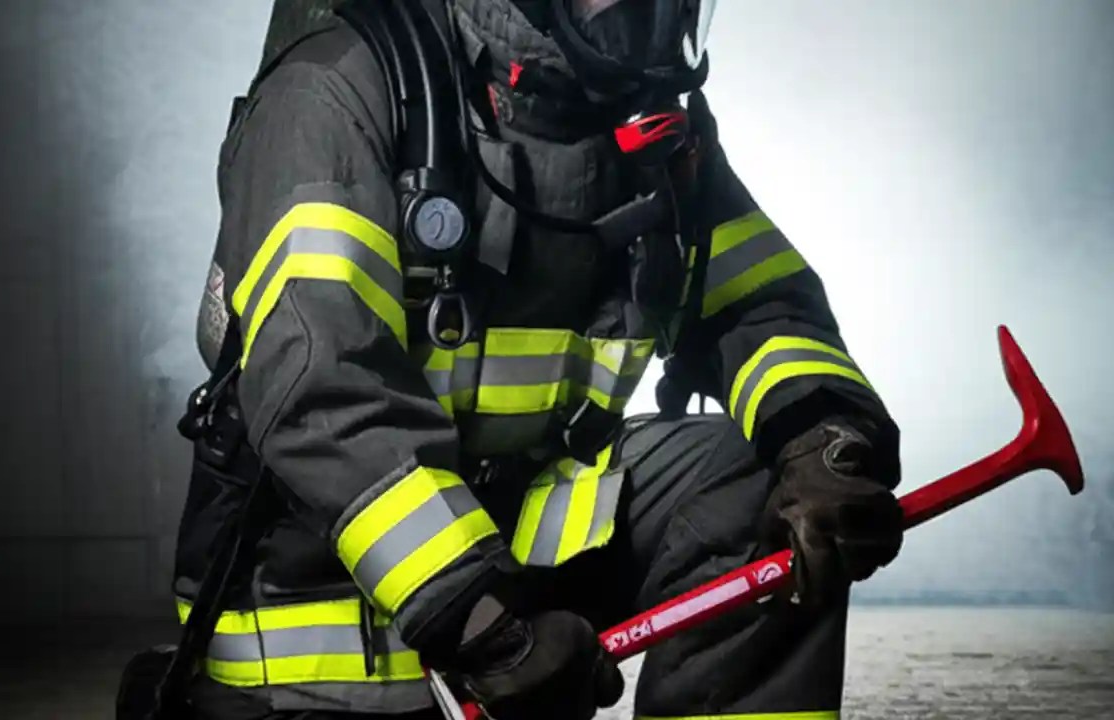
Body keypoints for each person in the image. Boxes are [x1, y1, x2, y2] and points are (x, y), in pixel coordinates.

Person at [174, 1, 906, 719]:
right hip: (332, 633)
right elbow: (324, 397)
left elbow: (755, 298)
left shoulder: (642, 119)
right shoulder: (332, 92)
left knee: (755, 483)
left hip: (518, 565)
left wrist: (824, 440)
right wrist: (482, 624)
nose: (652, 15)